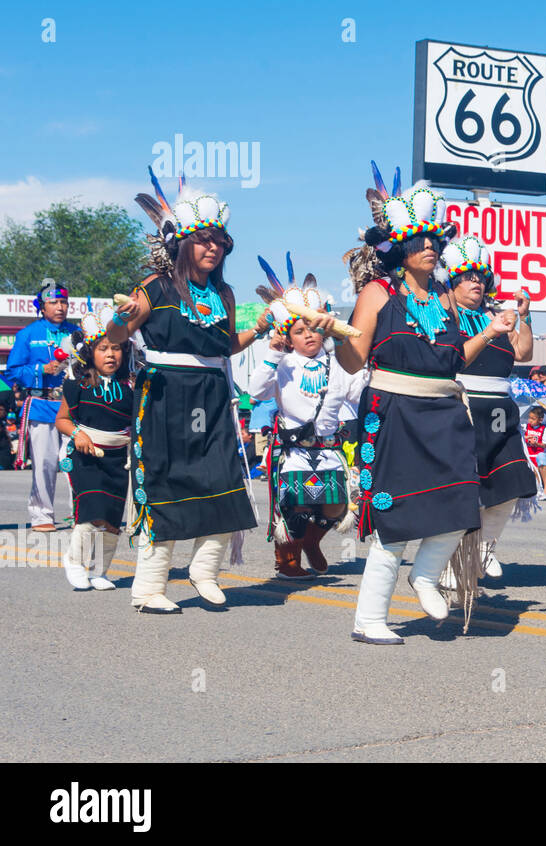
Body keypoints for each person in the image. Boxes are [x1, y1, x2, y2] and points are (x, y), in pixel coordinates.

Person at [334, 165, 513, 644]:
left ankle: (427, 575)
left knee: (461, 501)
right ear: (398, 248)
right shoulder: (378, 292)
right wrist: (339, 337)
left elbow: (455, 357)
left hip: (445, 409)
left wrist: (491, 333)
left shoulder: (445, 298)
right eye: (419, 241)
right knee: (397, 516)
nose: (430, 247)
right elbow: (353, 361)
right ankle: (370, 618)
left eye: (434, 239)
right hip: (394, 409)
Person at [109, 171, 269, 613]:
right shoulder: (156, 287)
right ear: (182, 243)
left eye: (219, 241)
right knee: (165, 483)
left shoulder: (226, 293)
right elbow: (117, 335)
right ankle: (149, 587)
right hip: (163, 394)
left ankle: (205, 570)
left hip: (213, 394)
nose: (213, 247)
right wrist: (121, 319)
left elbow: (222, 346)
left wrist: (255, 331)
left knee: (223, 478)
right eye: (203, 240)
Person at [247, 256, 359, 580]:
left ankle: (311, 542)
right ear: (289, 336)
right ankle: (287, 562)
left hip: (328, 450)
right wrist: (272, 352)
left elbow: (360, 393)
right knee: (295, 505)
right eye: (299, 330)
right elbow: (255, 390)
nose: (308, 335)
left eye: (312, 328)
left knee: (337, 507)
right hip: (293, 452)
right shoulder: (283, 364)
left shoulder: (339, 362)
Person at [440, 233, 537, 583]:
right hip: (459, 407)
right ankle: (447, 563)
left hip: (498, 411)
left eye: (480, 276)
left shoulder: (499, 315)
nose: (476, 282)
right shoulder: (442, 313)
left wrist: (524, 316)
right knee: (463, 490)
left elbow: (524, 353)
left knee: (511, 481)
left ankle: (485, 548)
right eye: (467, 276)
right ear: (451, 282)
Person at [55, 307, 133, 591]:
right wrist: (78, 434)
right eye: (103, 348)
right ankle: (75, 563)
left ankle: (100, 570)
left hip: (117, 460)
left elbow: (138, 424)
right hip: (85, 457)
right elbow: (62, 420)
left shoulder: (131, 386)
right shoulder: (78, 384)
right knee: (91, 509)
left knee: (111, 519)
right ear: (91, 352)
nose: (111, 354)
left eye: (116, 348)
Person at [5, 279, 76, 531]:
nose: (60, 307)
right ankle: (42, 516)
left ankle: (81, 514)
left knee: (72, 460)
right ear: (42, 307)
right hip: (41, 404)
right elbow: (12, 372)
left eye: (64, 302)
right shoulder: (28, 334)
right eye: (53, 302)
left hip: (72, 406)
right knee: (45, 464)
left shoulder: (77, 333)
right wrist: (40, 369)